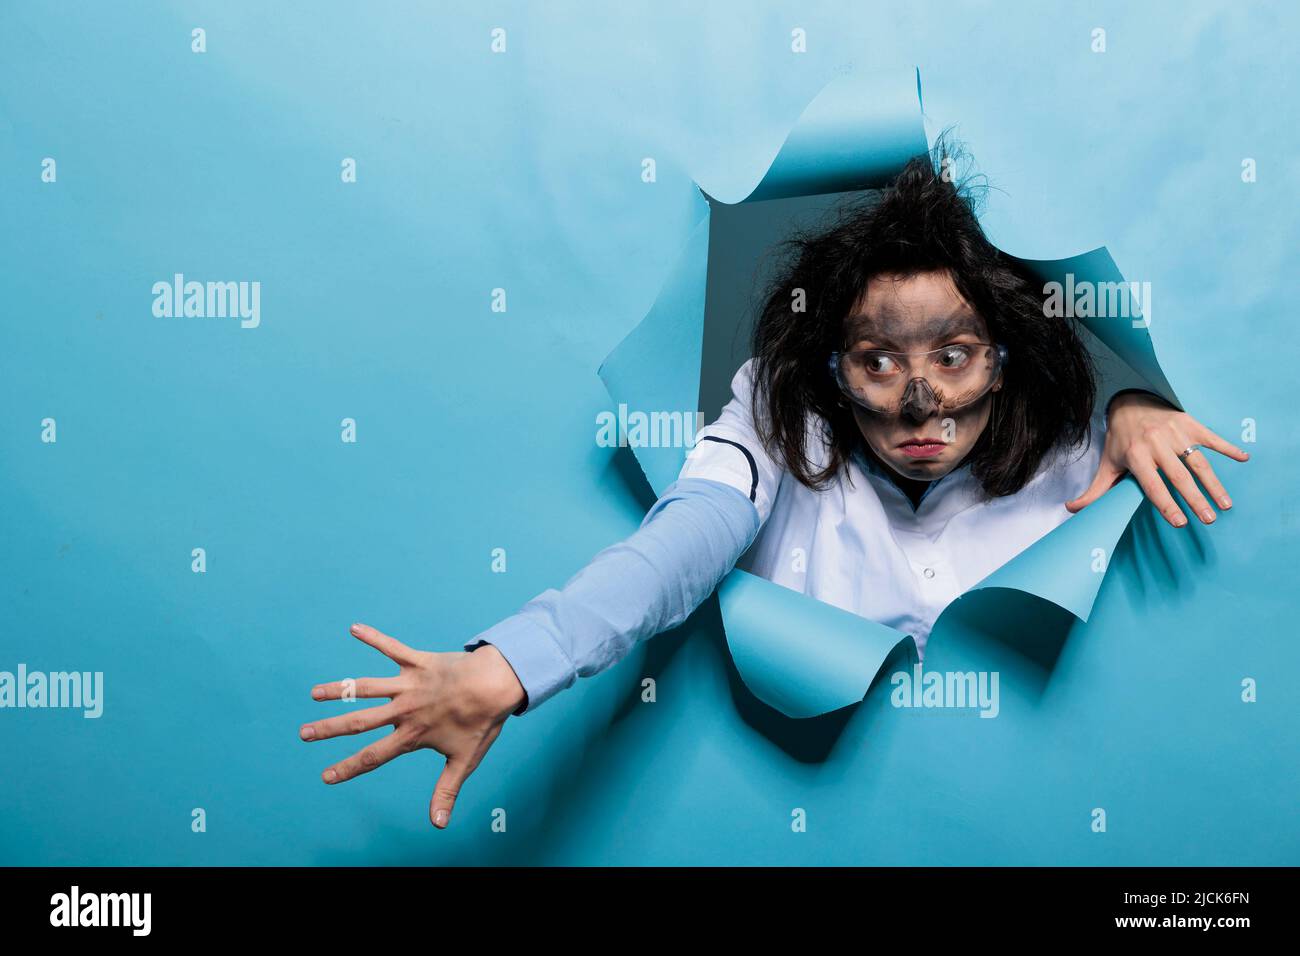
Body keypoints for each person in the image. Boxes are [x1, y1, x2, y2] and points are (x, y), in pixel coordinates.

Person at [299, 147, 1249, 829]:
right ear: (831, 368)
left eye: (954, 358)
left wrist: (1135, 399)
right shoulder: (775, 422)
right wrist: (511, 665)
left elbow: (1104, 381)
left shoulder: (1067, 429)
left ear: (1002, 360)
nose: (922, 406)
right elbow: (684, 540)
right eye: (878, 362)